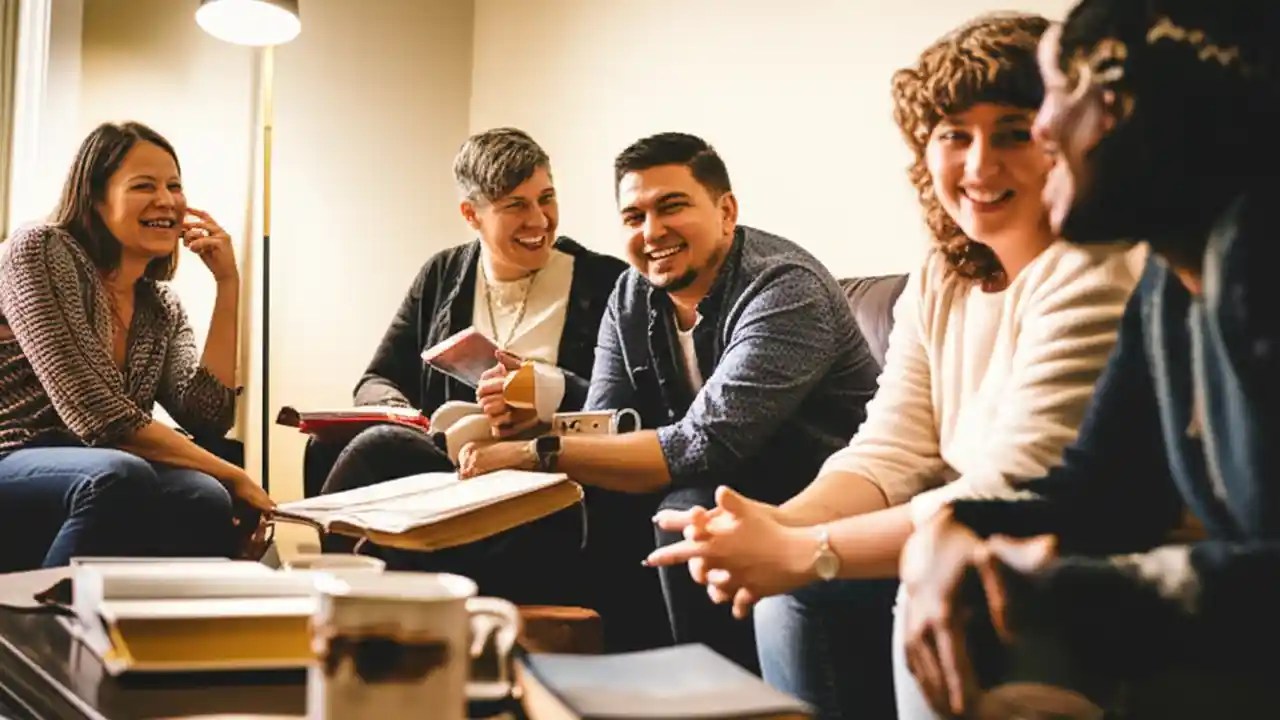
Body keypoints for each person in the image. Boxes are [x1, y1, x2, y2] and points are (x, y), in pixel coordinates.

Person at [644, 14, 1144, 718]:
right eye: (953, 136)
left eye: (1012, 131)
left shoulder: (1098, 265)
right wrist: (777, 527)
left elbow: (1013, 495)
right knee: (792, 593)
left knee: (929, 587)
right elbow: (891, 448)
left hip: (1087, 559)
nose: (978, 166)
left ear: (1065, 136)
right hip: (973, 533)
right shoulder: (946, 270)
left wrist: (808, 548)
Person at [892, 0, 1280, 717]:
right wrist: (951, 532)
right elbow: (1104, 493)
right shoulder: (1168, 283)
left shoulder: (1259, 255)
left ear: (1136, 108)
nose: (1043, 130)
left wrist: (1052, 590)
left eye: (1060, 95)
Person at [460, 132, 882, 669]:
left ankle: (710, 700)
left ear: (726, 211)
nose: (651, 232)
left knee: (684, 512)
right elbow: (604, 427)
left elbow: (708, 443)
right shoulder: (632, 294)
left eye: (672, 207)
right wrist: (519, 440)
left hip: (814, 488)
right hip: (704, 474)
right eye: (633, 217)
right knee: (569, 510)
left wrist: (535, 450)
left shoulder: (784, 287)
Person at [304, 128, 627, 609]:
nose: (539, 219)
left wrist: (550, 390)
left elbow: (625, 406)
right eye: (515, 205)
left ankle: (338, 603)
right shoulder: (443, 274)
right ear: (471, 214)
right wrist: (400, 413)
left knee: (379, 450)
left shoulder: (606, 282)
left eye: (547, 198)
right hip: (449, 468)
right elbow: (376, 380)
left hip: (544, 475)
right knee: (352, 445)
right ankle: (361, 606)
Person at [0, 121, 273, 571]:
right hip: (12, 451)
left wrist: (229, 283)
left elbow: (208, 416)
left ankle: (162, 635)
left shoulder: (159, 305)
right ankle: (42, 631)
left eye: (174, 186)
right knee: (119, 476)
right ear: (95, 197)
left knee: (203, 496)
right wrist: (236, 475)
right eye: (143, 186)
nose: (166, 200)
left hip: (95, 462)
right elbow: (97, 415)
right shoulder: (39, 250)